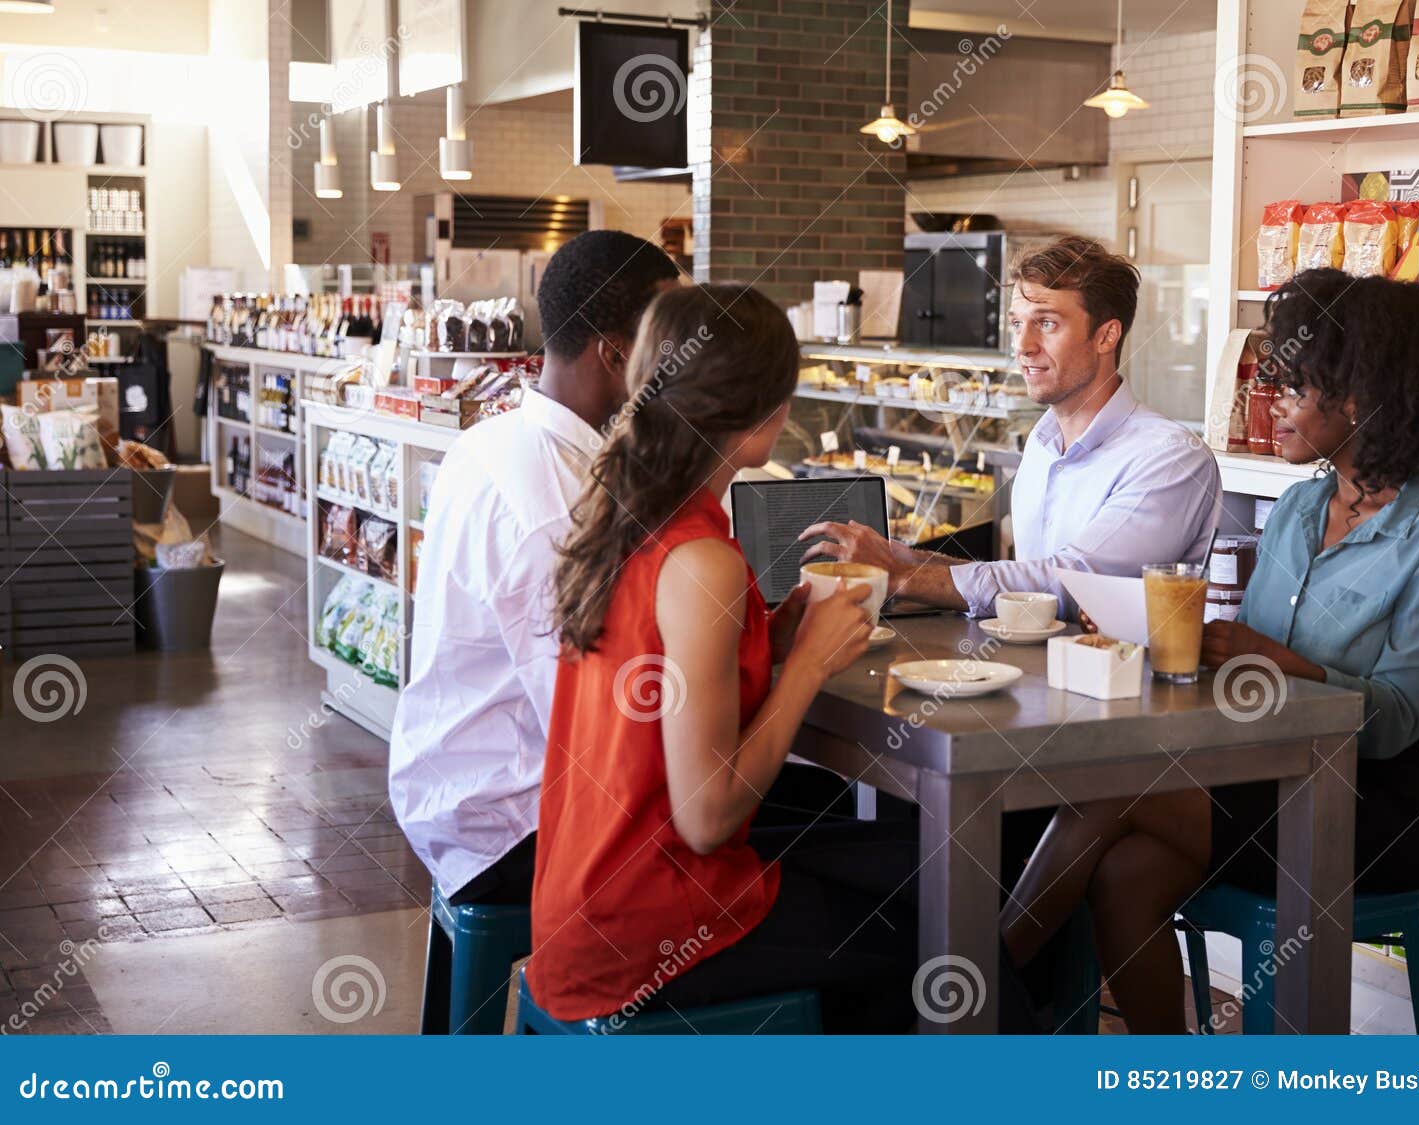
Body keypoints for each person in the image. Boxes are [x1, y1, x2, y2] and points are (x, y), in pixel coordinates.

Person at [999, 270, 1419, 1032]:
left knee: (1109, 788)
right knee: (1124, 876)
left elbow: (1395, 721)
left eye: (1298, 387)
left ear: (1360, 399)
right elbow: (1244, 666)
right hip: (1261, 772)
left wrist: (1278, 661)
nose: (1276, 401)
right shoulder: (1298, 506)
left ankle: (985, 994)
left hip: (1377, 803)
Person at [531, 284, 945, 1033]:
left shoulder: (627, 509)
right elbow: (708, 816)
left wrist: (775, 634)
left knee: (919, 866)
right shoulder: (701, 559)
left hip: (583, 901)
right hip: (642, 930)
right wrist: (809, 667)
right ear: (766, 417)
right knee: (945, 932)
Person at [388, 230, 680, 906]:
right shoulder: (556, 507)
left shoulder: (493, 438)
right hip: (509, 824)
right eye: (670, 341)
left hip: (451, 788)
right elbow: (603, 733)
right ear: (615, 354)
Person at [800, 234, 1221, 622]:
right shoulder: (1042, 444)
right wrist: (912, 560)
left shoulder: (1169, 457)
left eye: (1047, 323)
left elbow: (1074, 584)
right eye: (1017, 323)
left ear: (1106, 336)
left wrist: (900, 577)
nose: (1022, 346)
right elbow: (1027, 578)